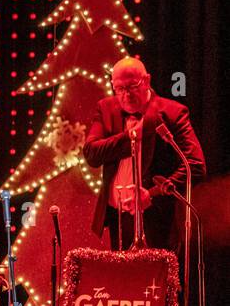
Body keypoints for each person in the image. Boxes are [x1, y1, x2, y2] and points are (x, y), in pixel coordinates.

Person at [82, 56, 205, 253]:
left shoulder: (173, 112)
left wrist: (152, 194)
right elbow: (91, 154)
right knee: (123, 281)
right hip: (118, 218)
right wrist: (131, 136)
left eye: (132, 86)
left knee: (157, 282)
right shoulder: (106, 108)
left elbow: (195, 165)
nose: (126, 95)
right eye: (119, 88)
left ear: (146, 80)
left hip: (158, 218)